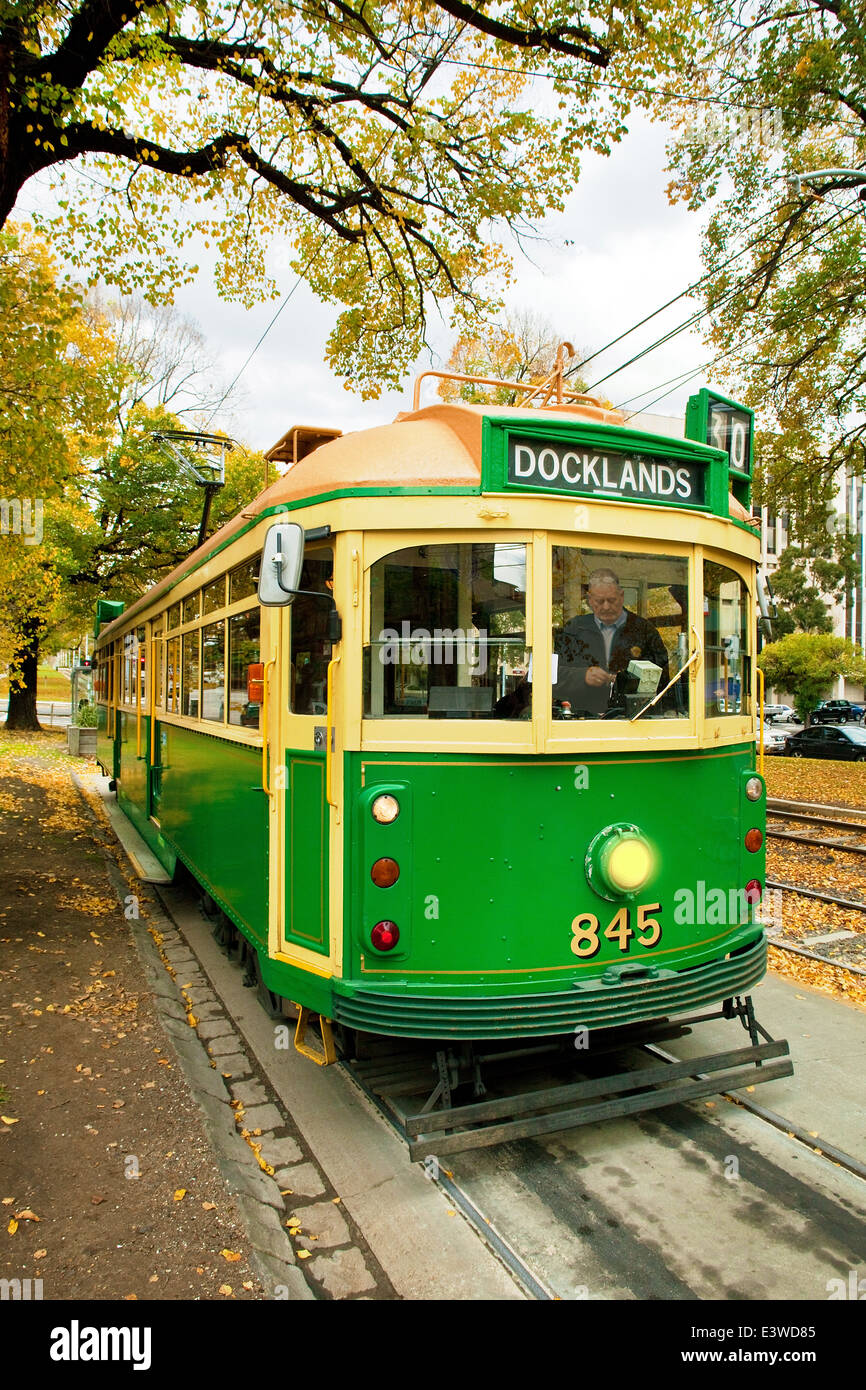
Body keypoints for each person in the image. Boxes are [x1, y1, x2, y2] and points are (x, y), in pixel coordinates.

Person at [554, 567, 670, 718]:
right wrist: (582, 676)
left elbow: (664, 678)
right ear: (589, 600)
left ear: (621, 596)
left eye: (612, 600)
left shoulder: (644, 630)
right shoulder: (573, 629)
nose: (606, 606)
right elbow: (549, 674)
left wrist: (626, 681)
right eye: (599, 601)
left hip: (634, 720)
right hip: (582, 719)